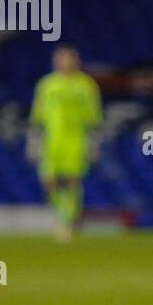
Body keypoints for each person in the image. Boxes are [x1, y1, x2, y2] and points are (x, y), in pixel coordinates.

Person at [28, 46, 101, 241]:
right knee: (48, 182)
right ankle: (62, 216)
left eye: (68, 59)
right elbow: (37, 116)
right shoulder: (47, 85)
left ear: (75, 62)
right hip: (51, 141)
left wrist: (93, 144)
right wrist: (33, 143)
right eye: (60, 59)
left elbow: (94, 118)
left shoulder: (86, 85)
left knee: (71, 182)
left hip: (76, 141)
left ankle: (66, 222)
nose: (65, 63)